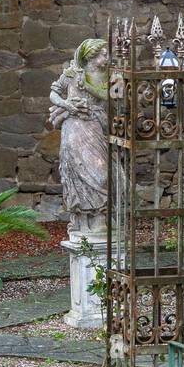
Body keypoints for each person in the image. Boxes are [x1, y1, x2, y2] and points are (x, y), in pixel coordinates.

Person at [49, 38, 109, 239]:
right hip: (73, 126)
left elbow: (108, 96)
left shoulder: (104, 75)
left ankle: (100, 215)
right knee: (75, 169)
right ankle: (82, 220)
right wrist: (66, 104)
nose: (107, 57)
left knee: (100, 173)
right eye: (103, 53)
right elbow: (54, 93)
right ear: (91, 55)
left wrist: (88, 87)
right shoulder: (71, 74)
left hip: (94, 124)